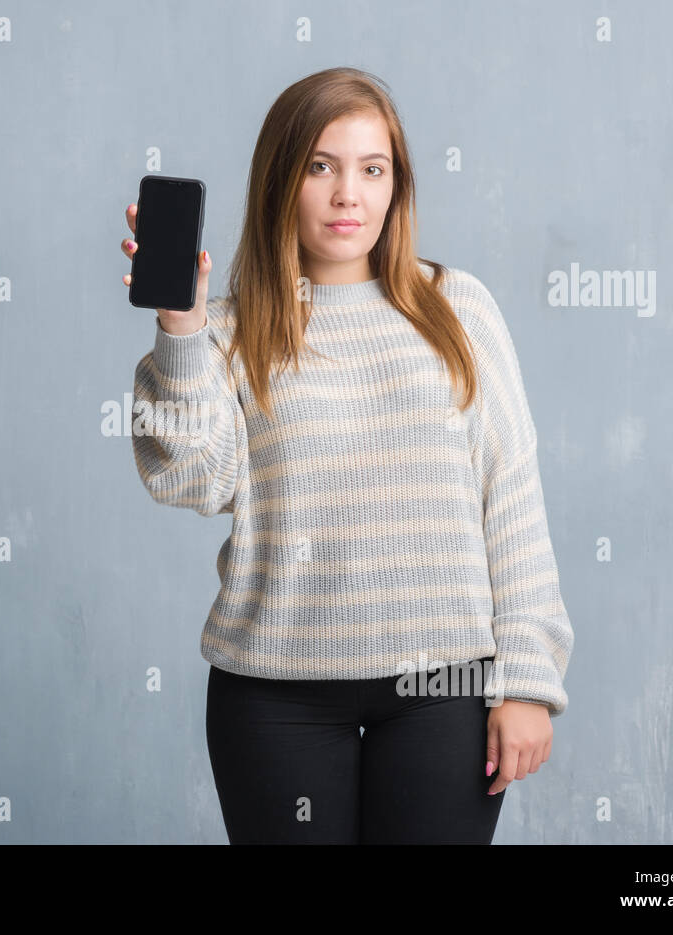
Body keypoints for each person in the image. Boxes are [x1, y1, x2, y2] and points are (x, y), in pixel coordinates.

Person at [122, 67, 573, 844]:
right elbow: (192, 478)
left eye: (373, 170)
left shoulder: (458, 308)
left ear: (397, 186)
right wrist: (181, 331)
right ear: (281, 180)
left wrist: (528, 680)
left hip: (444, 686)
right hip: (276, 695)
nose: (347, 196)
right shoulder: (226, 331)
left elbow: (513, 495)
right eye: (321, 167)